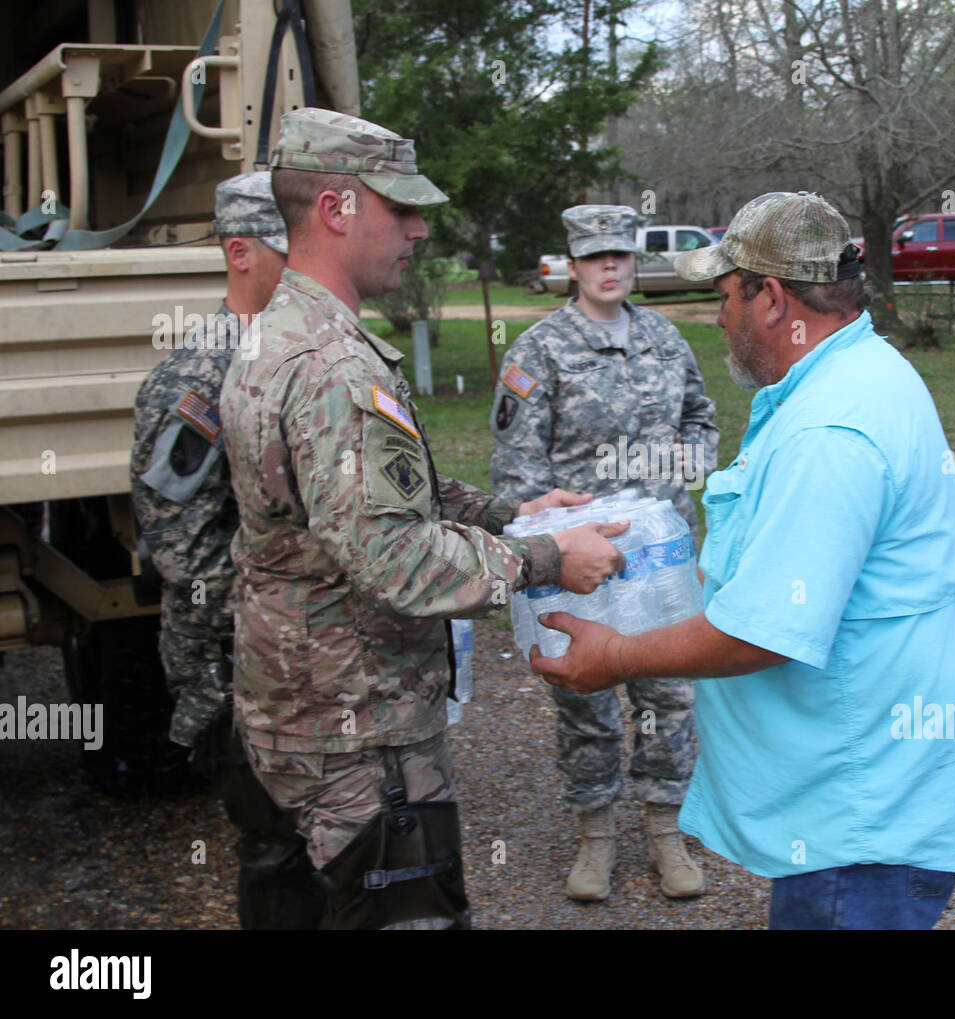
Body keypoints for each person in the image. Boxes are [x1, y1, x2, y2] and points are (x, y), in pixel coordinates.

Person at [531, 191, 955, 930]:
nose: (718, 317)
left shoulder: (831, 429)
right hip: (865, 787)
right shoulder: (849, 377)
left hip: (865, 809)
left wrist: (618, 654)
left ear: (772, 298)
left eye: (725, 296)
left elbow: (764, 630)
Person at [219, 109, 626, 930]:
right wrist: (547, 560)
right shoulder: (334, 366)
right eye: (398, 206)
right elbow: (393, 559)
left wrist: (514, 512)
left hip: (295, 712)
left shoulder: (286, 330)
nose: (416, 228)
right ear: (336, 209)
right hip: (361, 738)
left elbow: (364, 499)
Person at [490, 204, 719, 902]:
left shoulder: (665, 339)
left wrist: (692, 462)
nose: (611, 267)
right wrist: (538, 558)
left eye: (621, 254)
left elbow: (701, 420)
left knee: (669, 693)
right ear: (573, 263)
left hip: (659, 560)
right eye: (596, 257)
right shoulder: (539, 350)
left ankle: (664, 832)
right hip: (579, 557)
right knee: (583, 698)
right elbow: (517, 470)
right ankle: (594, 838)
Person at [131, 171, 324, 929]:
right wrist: (288, 603)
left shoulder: (294, 354)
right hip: (236, 665)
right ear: (240, 252)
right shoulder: (199, 376)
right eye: (288, 250)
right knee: (276, 851)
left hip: (302, 651)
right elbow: (178, 544)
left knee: (329, 844)